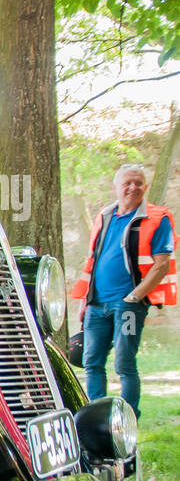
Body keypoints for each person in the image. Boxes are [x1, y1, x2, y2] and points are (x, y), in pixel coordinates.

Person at [68, 164, 177, 419]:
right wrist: (85, 299)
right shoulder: (105, 216)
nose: (133, 187)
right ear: (116, 187)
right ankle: (96, 418)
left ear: (145, 187)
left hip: (128, 304)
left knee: (124, 363)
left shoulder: (157, 218)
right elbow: (93, 260)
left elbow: (161, 264)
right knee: (91, 361)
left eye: (138, 182)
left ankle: (127, 420)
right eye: (127, 183)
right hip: (97, 304)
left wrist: (134, 297)